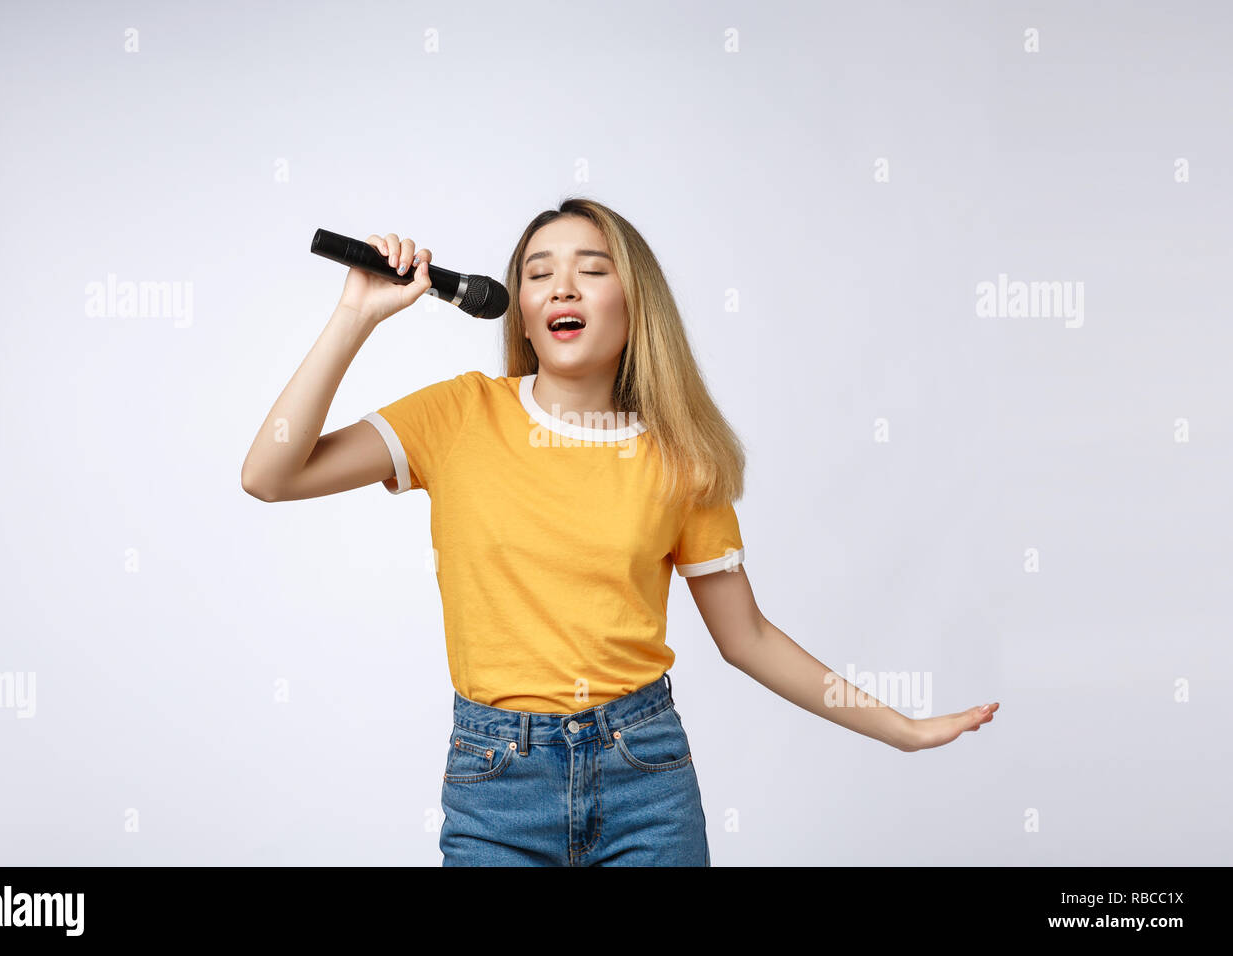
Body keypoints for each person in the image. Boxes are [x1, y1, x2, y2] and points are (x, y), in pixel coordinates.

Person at [240, 198, 1000, 866]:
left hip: (646, 779)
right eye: (537, 273)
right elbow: (269, 475)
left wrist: (898, 727)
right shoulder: (457, 415)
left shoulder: (680, 460)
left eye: (591, 269)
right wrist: (355, 315)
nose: (561, 286)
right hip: (494, 784)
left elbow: (749, 640)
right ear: (522, 313)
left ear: (636, 305)